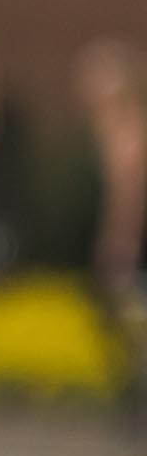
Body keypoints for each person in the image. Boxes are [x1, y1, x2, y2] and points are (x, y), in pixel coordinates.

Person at [75, 39, 147, 412]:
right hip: (126, 235)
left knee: (126, 315)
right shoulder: (102, 125)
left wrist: (120, 242)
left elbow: (128, 194)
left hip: (133, 239)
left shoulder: (127, 125)